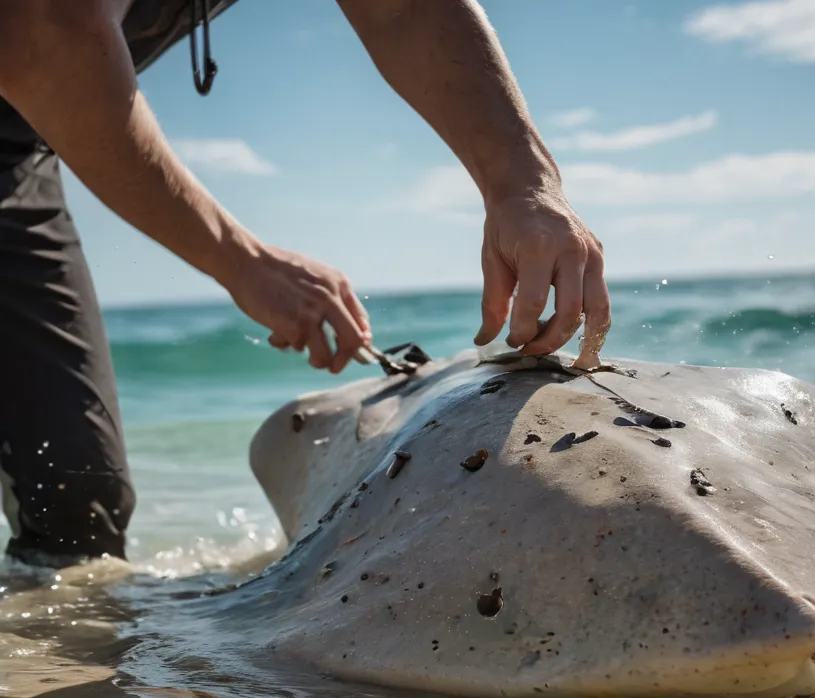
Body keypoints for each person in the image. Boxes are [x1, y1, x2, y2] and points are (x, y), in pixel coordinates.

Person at [0, 0, 611, 567]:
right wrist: (242, 261)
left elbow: (405, 9)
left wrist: (525, 184)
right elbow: (47, 33)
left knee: (75, 508)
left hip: (16, 158)